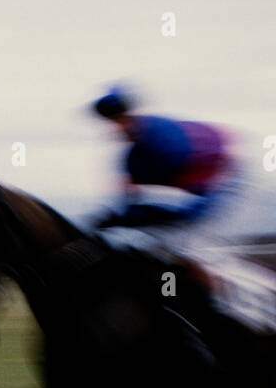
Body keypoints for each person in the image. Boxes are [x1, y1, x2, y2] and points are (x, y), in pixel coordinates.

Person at [88, 86, 237, 259]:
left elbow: (184, 208)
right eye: (111, 123)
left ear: (127, 116)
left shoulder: (166, 142)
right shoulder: (133, 156)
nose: (113, 130)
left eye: (117, 121)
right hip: (186, 200)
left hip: (210, 199)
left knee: (177, 256)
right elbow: (131, 197)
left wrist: (123, 218)